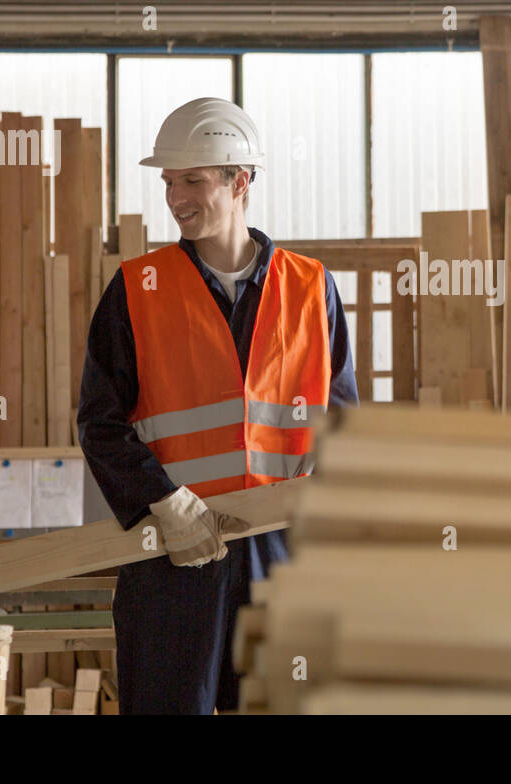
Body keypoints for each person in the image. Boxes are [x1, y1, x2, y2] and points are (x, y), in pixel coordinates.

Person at [77, 97, 357, 714]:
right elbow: (99, 422)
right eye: (169, 182)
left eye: (193, 181)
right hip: (175, 555)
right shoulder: (137, 289)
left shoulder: (311, 288)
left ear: (241, 181)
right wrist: (162, 499)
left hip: (282, 558)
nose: (176, 198)